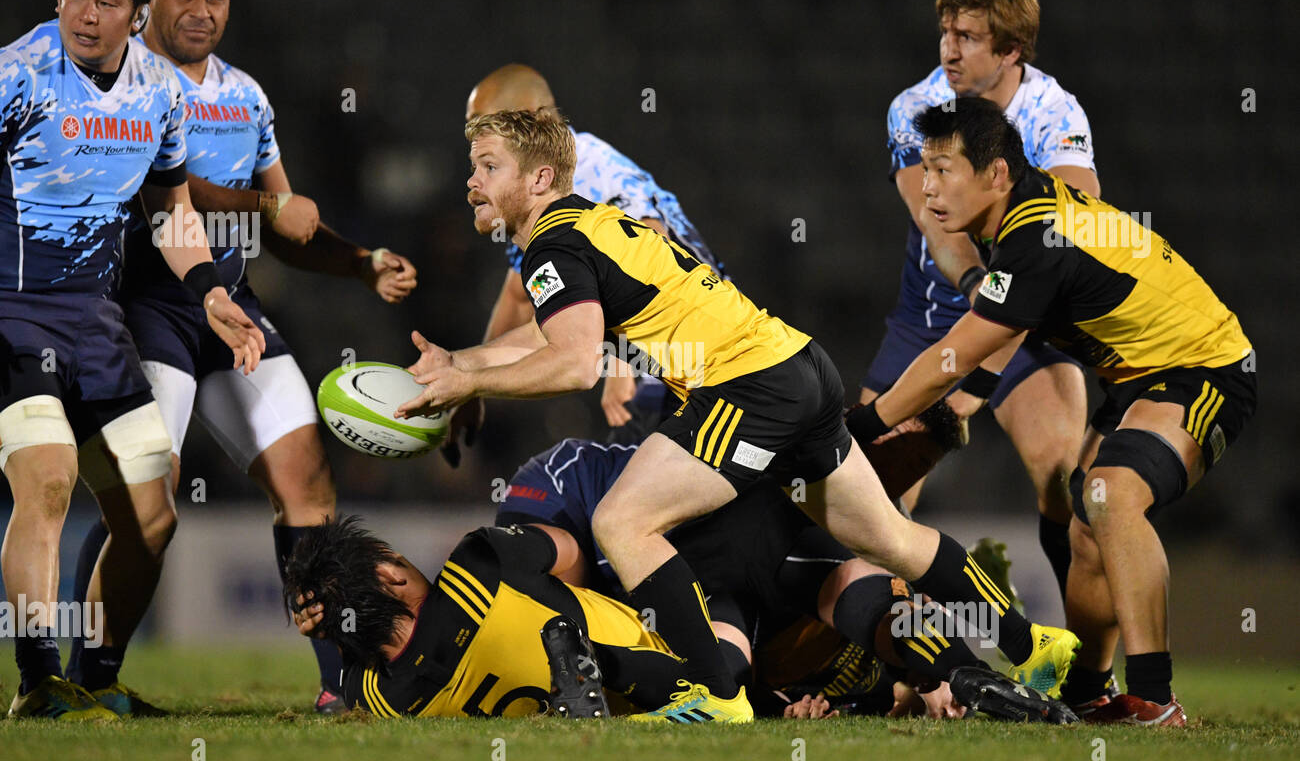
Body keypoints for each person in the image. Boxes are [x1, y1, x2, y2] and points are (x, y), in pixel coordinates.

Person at [394, 107, 1078, 723]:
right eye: (474, 168)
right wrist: (466, 364)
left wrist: (463, 385)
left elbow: (573, 363)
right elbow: (563, 338)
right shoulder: (597, 222)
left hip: (747, 390)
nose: (473, 183)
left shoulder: (552, 247)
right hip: (800, 367)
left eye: (489, 167)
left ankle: (714, 695)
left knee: (622, 521)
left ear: (539, 178)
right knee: (893, 541)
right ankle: (1036, 646)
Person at [65, 0, 417, 715]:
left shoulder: (245, 97)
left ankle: (339, 688)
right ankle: (86, 683)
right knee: (142, 502)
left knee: (307, 483)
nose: (199, 9)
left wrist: (359, 263)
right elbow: (177, 195)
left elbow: (284, 229)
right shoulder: (112, 85)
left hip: (233, 313)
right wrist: (266, 207)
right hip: (144, 310)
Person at [852, 98, 1255, 726]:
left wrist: (864, 427)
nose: (927, 188)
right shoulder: (1025, 222)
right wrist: (947, 412)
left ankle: (1154, 699)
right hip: (1139, 378)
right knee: (1085, 527)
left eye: (944, 169)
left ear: (996, 175)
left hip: (1204, 371)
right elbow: (991, 350)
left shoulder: (1034, 236)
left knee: (1109, 495)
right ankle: (1090, 693)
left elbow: (955, 355)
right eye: (924, 169)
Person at [0, 0, 264, 719]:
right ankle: (38, 682)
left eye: (107, 0)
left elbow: (171, 206)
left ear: (137, 12)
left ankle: (99, 675)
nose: (86, 14)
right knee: (45, 482)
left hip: (96, 327)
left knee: (151, 518)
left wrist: (213, 292)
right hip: (13, 314)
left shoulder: (158, 93)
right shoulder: (16, 74)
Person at [495, 436, 1075, 723]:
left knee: (855, 583)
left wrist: (927, 686)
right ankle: (979, 671)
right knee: (737, 662)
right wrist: (934, 684)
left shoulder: (569, 488)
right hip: (746, 571)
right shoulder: (864, 669)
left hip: (731, 545)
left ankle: (984, 664)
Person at [863, 0, 1098, 604]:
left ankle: (1086, 677)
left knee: (1064, 484)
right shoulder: (915, 108)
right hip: (934, 316)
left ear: (1010, 50)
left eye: (967, 36)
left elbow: (1076, 222)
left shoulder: (1054, 112)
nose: (948, 50)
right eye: (945, 32)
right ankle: (894, 667)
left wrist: (1001, 321)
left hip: (1033, 326)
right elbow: (936, 225)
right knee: (868, 493)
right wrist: (977, 289)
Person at [444, 63, 724, 460]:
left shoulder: (584, 165)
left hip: (690, 355)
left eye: (483, 119)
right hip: (672, 360)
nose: (473, 133)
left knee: (611, 505)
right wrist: (473, 386)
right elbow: (520, 298)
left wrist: (623, 363)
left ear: (529, 116)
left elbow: (652, 242)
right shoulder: (532, 191)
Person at [284, 516, 692, 719]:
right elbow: (568, 549)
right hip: (663, 652)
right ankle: (598, 661)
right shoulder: (478, 563)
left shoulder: (377, 699)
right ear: (388, 572)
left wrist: (335, 628)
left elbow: (356, 662)